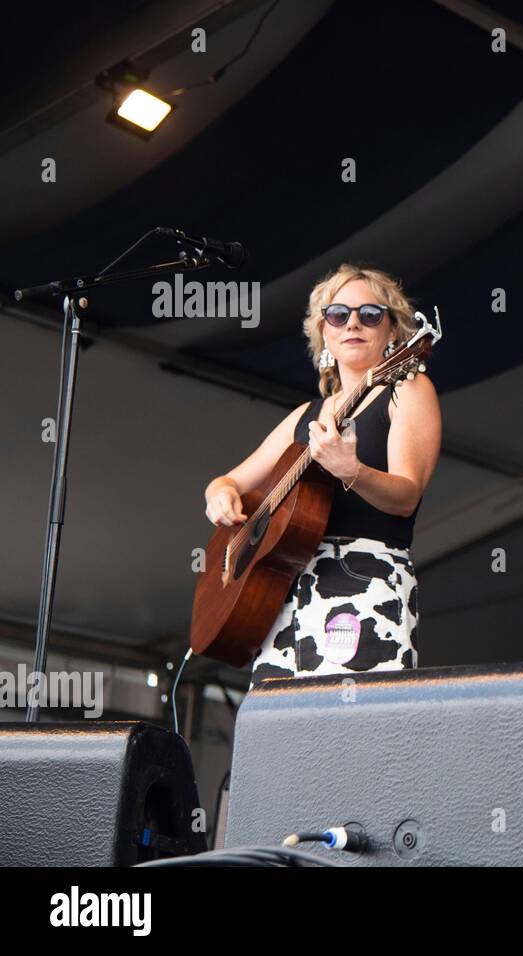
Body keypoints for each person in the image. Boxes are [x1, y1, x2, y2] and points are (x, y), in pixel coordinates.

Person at [203, 264, 441, 686]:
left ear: (392, 334)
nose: (353, 323)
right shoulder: (305, 416)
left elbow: (406, 496)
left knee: (350, 738)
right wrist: (220, 494)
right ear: (324, 333)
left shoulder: (407, 387)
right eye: (338, 314)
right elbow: (228, 481)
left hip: (365, 584)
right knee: (278, 739)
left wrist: (352, 470)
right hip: (284, 596)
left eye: (370, 314)